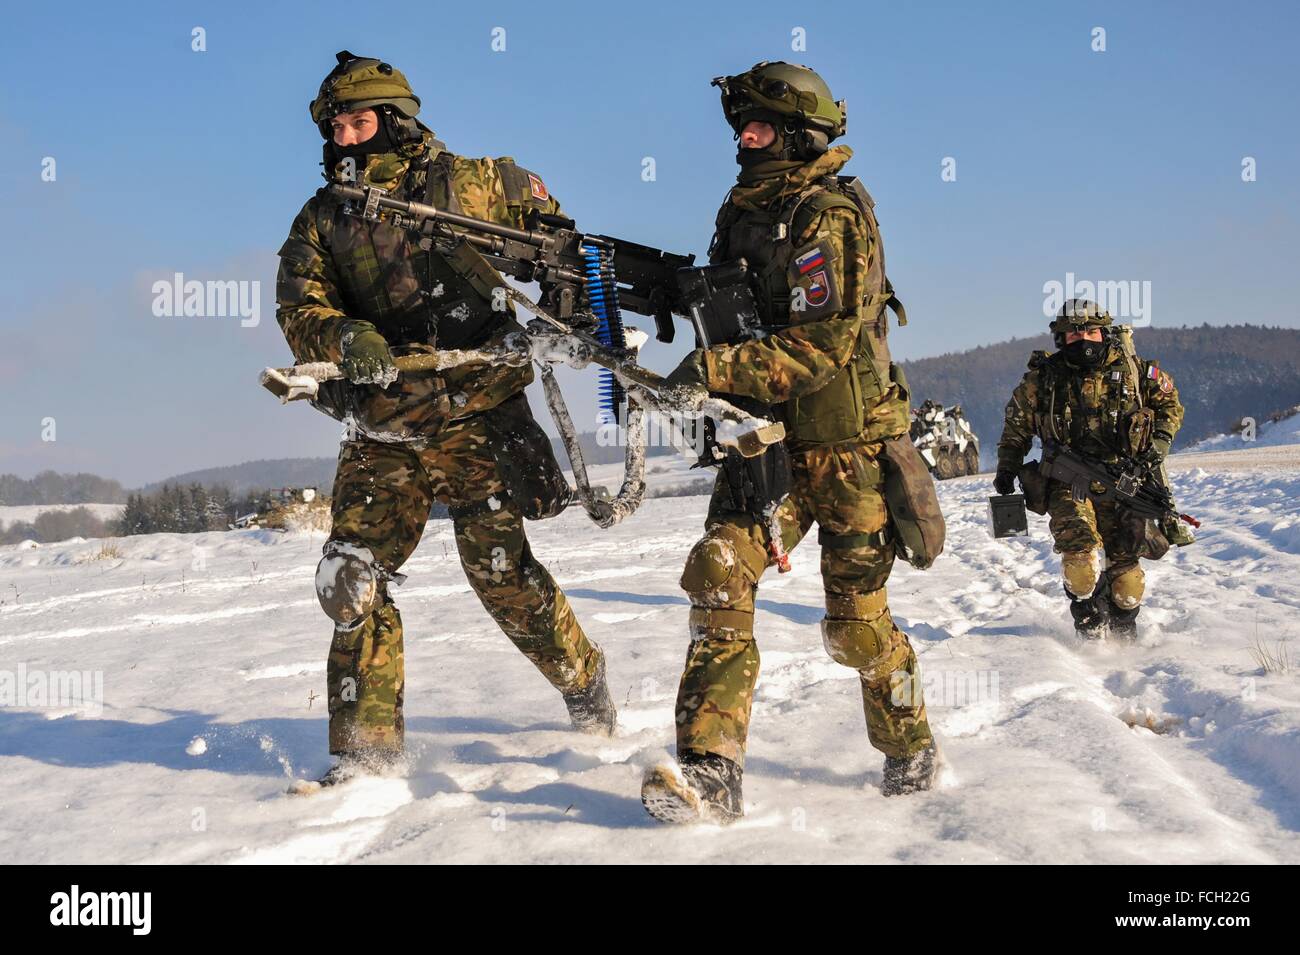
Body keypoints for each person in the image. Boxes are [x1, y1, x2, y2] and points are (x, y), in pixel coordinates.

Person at [276, 52, 615, 787]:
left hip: (478, 412)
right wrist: (341, 338)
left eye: (359, 120)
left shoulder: (477, 182)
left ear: (397, 121)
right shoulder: (321, 218)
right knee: (350, 578)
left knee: (501, 576)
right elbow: (298, 305)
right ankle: (367, 757)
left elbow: (561, 249)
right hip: (384, 426)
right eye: (335, 125)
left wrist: (565, 304)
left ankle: (585, 680)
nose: (344, 136)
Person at [641, 61, 939, 824]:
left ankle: (911, 747)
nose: (743, 137)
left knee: (855, 630)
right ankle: (710, 773)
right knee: (717, 571)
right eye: (741, 124)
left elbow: (822, 345)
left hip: (848, 451)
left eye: (761, 125)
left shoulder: (827, 215)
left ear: (801, 133)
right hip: (761, 440)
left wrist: (711, 366)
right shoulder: (739, 213)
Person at [995, 299, 1190, 639]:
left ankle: (1123, 630)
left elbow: (1170, 406)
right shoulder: (1043, 380)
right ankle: (1087, 621)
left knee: (1127, 584)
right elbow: (1016, 427)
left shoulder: (1136, 372)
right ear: (1061, 338)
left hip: (1125, 482)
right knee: (1081, 568)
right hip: (1066, 482)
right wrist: (1007, 468)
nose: (1082, 338)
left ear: (1104, 332)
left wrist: (1156, 448)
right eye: (1073, 334)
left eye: (1090, 331)